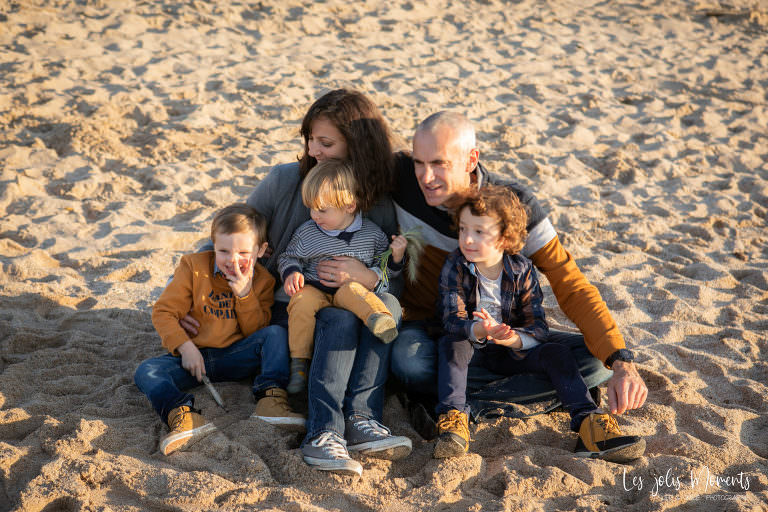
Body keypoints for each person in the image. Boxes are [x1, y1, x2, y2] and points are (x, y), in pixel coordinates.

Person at [179, 89, 412, 477]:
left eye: (326, 142)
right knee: (336, 321)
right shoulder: (286, 180)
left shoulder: (378, 204)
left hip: (357, 306)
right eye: (310, 139)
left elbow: (392, 279)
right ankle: (325, 431)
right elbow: (231, 236)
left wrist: (365, 275)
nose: (314, 150)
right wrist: (194, 296)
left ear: (357, 147)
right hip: (292, 309)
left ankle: (362, 418)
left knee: (386, 309)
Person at [390, 112, 648, 432]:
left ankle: (471, 405)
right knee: (408, 362)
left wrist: (621, 361)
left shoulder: (514, 205)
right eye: (419, 162)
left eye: (439, 164)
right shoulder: (400, 180)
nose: (425, 177)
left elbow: (570, 283)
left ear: (471, 160)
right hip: (437, 333)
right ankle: (523, 394)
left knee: (598, 362)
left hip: (508, 340)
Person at [434, 186, 645, 462]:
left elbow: (538, 327)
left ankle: (588, 424)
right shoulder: (456, 265)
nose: (467, 239)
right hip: (472, 351)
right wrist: (479, 330)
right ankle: (454, 420)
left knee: (557, 353)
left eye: (479, 232)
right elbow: (452, 319)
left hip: (511, 350)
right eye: (463, 229)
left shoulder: (522, 270)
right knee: (452, 344)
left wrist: (512, 338)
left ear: (504, 238)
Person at [135, 204, 304, 456]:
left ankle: (271, 401)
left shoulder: (263, 281)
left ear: (261, 251)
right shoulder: (193, 267)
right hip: (194, 359)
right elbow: (163, 312)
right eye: (223, 251)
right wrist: (186, 347)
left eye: (243, 252)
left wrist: (245, 295)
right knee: (146, 370)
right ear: (213, 245)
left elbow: (255, 331)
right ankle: (184, 416)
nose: (232, 260)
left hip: (236, 355)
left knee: (275, 335)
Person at [279, 159, 407, 393]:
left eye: (322, 209)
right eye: (311, 208)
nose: (314, 215)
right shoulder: (307, 232)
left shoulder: (372, 234)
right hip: (314, 288)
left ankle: (379, 320)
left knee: (355, 290)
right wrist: (292, 272)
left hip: (349, 290)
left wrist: (396, 258)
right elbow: (289, 256)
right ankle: (299, 363)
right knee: (300, 302)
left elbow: (383, 269)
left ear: (349, 206)